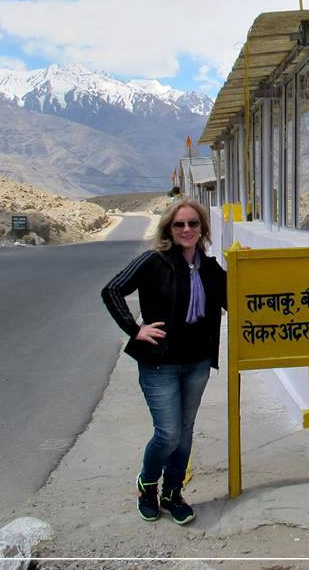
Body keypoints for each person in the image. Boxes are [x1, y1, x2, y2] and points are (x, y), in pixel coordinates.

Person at [101, 198, 226, 525]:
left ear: (202, 229)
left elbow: (237, 297)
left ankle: (172, 492)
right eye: (179, 224)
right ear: (169, 229)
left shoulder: (210, 269)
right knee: (168, 433)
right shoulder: (153, 261)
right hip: (160, 364)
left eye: (193, 224)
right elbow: (112, 290)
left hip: (197, 363)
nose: (187, 229)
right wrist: (135, 329)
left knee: (185, 433)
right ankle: (147, 485)